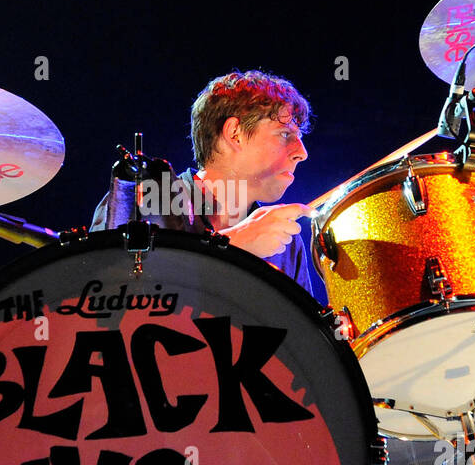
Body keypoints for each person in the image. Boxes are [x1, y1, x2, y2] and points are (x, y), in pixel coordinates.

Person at [90, 70, 317, 296]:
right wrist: (232, 246)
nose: (302, 152)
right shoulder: (143, 198)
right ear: (235, 133)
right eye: (285, 134)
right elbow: (99, 298)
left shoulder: (286, 238)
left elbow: (300, 330)